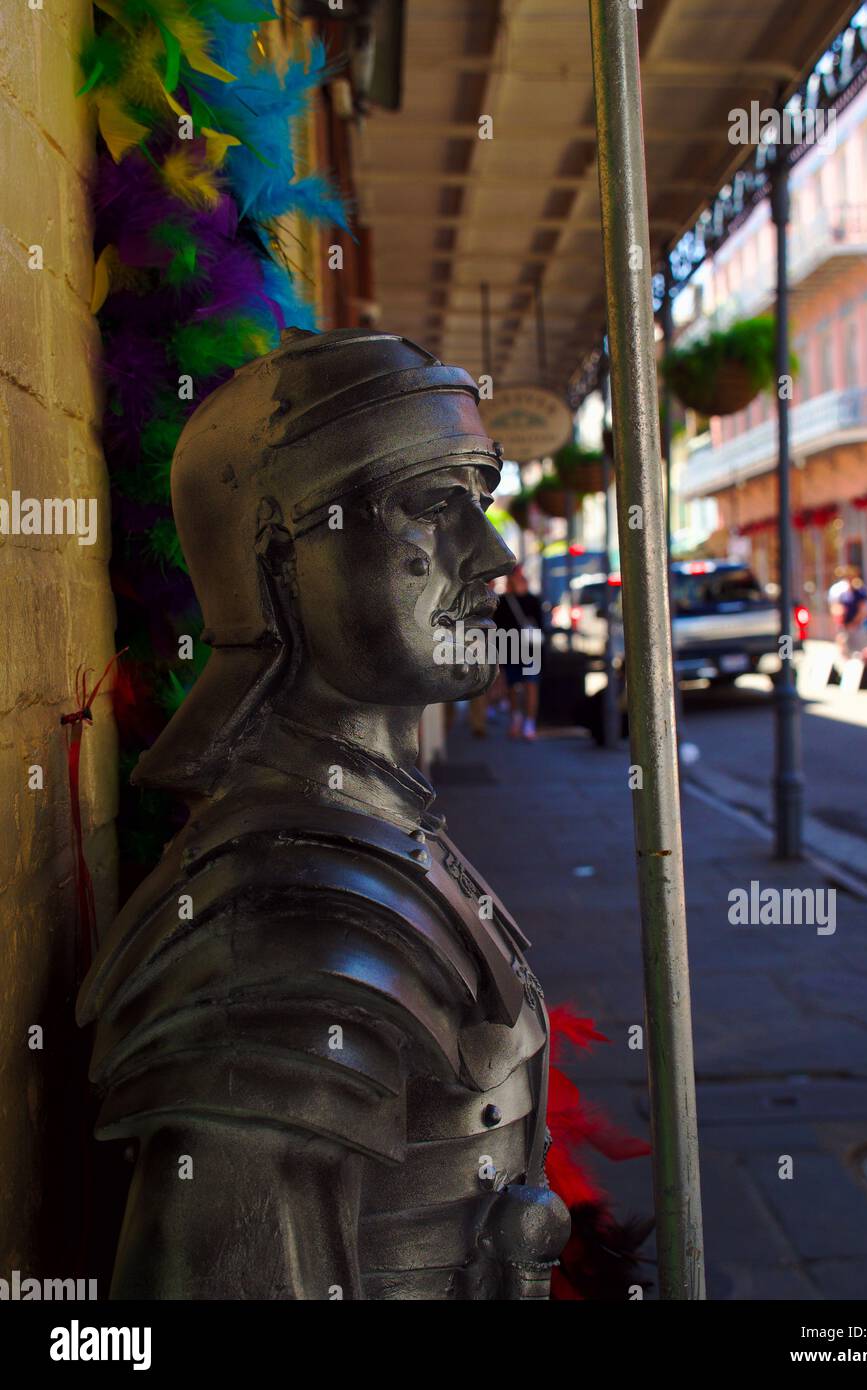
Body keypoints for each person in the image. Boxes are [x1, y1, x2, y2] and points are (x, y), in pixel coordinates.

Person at [77, 328, 569, 1300]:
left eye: (483, 498)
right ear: (278, 560)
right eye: (433, 504)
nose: (496, 554)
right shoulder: (281, 945)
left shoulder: (384, 840)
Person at [496, 564, 546, 740]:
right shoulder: (503, 601)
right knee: (513, 687)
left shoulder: (532, 600)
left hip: (531, 650)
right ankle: (516, 718)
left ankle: (529, 724)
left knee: (531, 685)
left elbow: (540, 625)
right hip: (510, 650)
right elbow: (498, 629)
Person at [828, 567, 867, 666]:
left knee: (861, 652)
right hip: (845, 626)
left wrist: (855, 622)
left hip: (857, 626)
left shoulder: (860, 591)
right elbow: (836, 608)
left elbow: (863, 609)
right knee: (845, 651)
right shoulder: (841, 592)